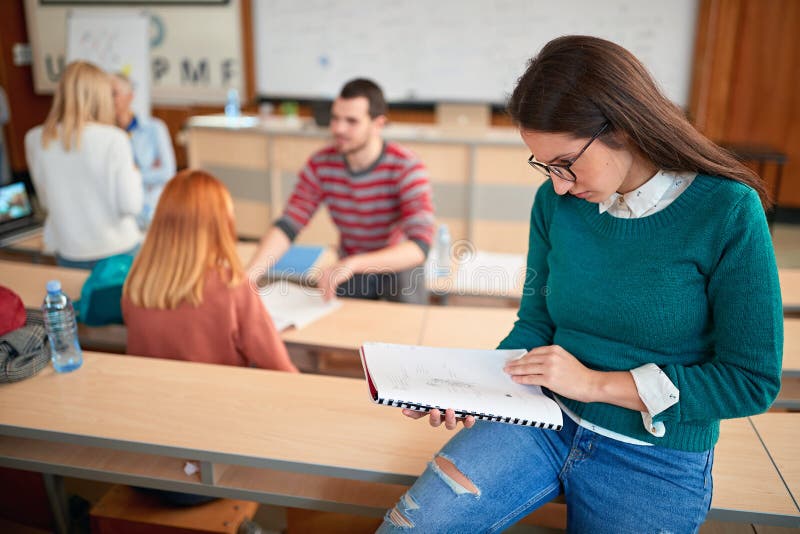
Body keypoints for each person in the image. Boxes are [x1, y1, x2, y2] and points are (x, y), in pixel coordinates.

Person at [378, 35, 783, 534]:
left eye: (566, 163)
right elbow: (536, 323)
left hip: (653, 455)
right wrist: (470, 390)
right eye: (544, 166)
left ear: (624, 127)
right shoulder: (555, 204)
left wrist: (592, 384)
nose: (559, 185)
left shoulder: (726, 210)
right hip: (538, 422)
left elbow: (750, 381)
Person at [247, 78, 435, 304]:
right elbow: (289, 224)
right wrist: (250, 276)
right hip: (351, 266)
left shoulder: (406, 166)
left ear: (378, 124)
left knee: (407, 310)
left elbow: (420, 246)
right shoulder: (321, 164)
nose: (338, 128)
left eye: (351, 121)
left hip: (396, 264)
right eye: (335, 118)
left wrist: (353, 264)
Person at [122, 169, 297, 372]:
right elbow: (279, 367)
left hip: (150, 398)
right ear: (221, 224)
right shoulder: (233, 286)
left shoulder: (136, 283)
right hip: (218, 400)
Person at [25, 61, 142, 269]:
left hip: (69, 249)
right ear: (100, 96)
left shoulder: (35, 139)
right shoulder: (114, 139)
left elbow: (44, 201)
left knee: (78, 302)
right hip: (118, 250)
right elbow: (130, 205)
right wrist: (135, 173)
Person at [111, 73, 176, 229]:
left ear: (130, 96)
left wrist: (131, 175)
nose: (109, 100)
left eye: (114, 93)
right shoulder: (105, 134)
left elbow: (167, 172)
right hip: (117, 212)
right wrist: (147, 173)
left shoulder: (154, 128)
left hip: (152, 209)